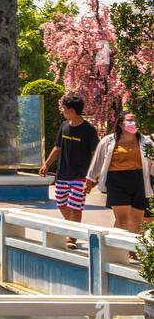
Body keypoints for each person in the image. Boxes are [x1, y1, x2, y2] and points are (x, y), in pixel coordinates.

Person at [85, 107, 153, 255]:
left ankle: (131, 250)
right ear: (121, 124)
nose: (133, 123)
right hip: (116, 181)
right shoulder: (109, 140)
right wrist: (89, 179)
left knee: (136, 219)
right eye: (130, 120)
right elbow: (97, 161)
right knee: (122, 219)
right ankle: (115, 250)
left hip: (139, 180)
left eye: (135, 120)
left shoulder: (145, 141)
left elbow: (152, 162)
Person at [39, 95, 99, 248]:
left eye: (64, 109)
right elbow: (57, 148)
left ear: (72, 110)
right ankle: (73, 227)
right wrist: (46, 164)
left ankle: (72, 236)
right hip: (63, 174)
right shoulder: (64, 126)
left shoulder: (89, 130)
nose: (62, 111)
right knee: (61, 203)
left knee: (75, 205)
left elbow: (95, 154)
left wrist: (92, 177)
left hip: (81, 175)